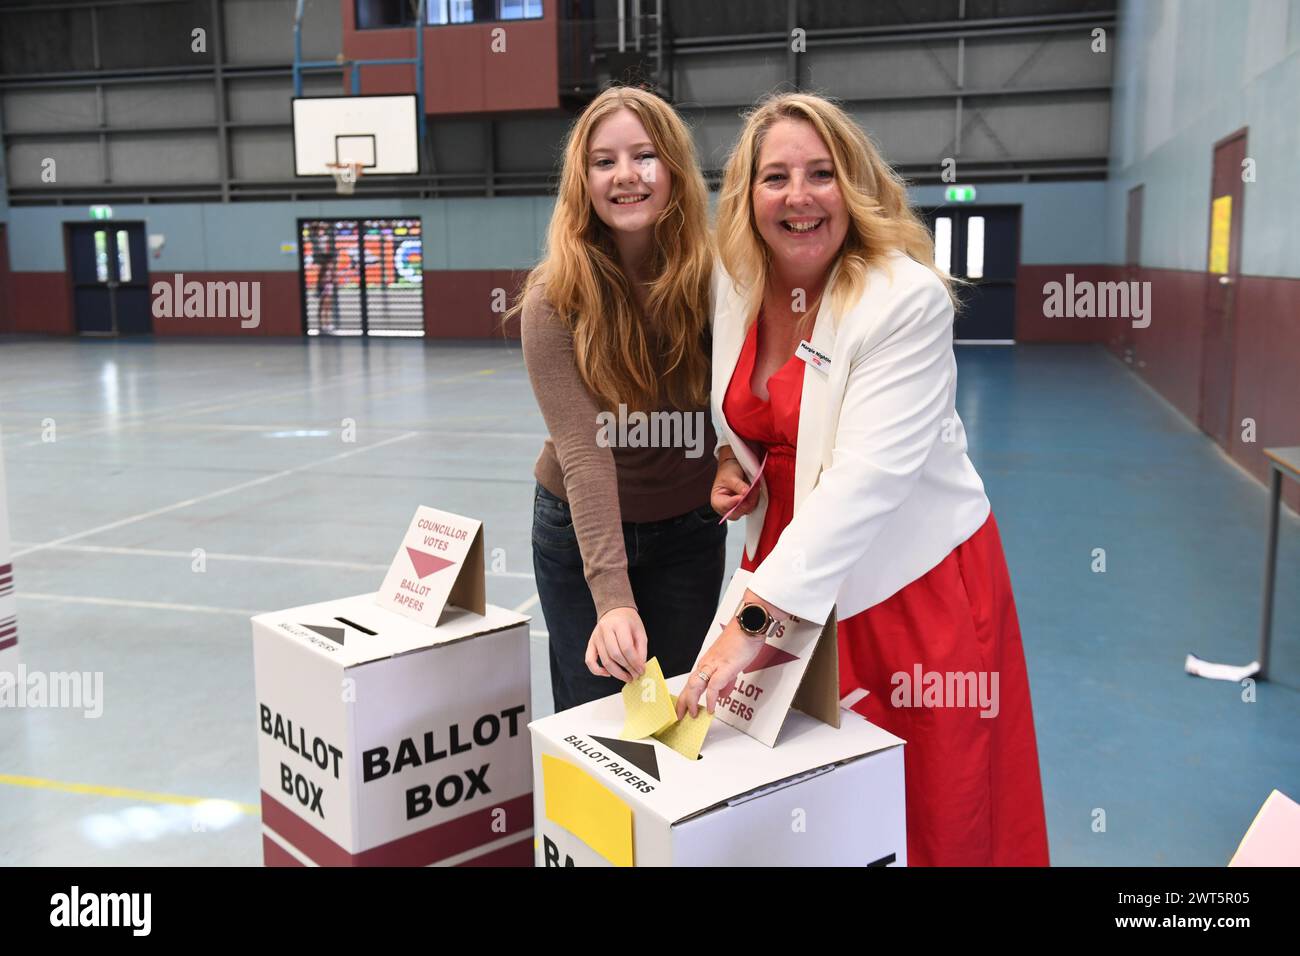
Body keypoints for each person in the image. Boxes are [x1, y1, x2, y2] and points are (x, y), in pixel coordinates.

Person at [678, 92, 1050, 866]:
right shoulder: (737, 283)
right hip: (784, 561)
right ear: (748, 195)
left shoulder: (901, 299)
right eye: (775, 176)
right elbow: (749, 409)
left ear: (856, 185)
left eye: (822, 173)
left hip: (907, 585)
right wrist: (733, 459)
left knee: (928, 806)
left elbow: (862, 484)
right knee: (800, 798)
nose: (800, 196)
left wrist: (744, 632)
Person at [517, 86, 725, 712]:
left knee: (673, 719)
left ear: (674, 172)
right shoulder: (552, 300)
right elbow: (584, 453)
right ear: (582, 179)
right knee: (599, 721)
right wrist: (611, 598)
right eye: (604, 161)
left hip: (690, 529)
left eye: (645, 156)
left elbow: (741, 400)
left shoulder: (715, 281)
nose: (625, 176)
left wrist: (734, 463)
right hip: (579, 532)